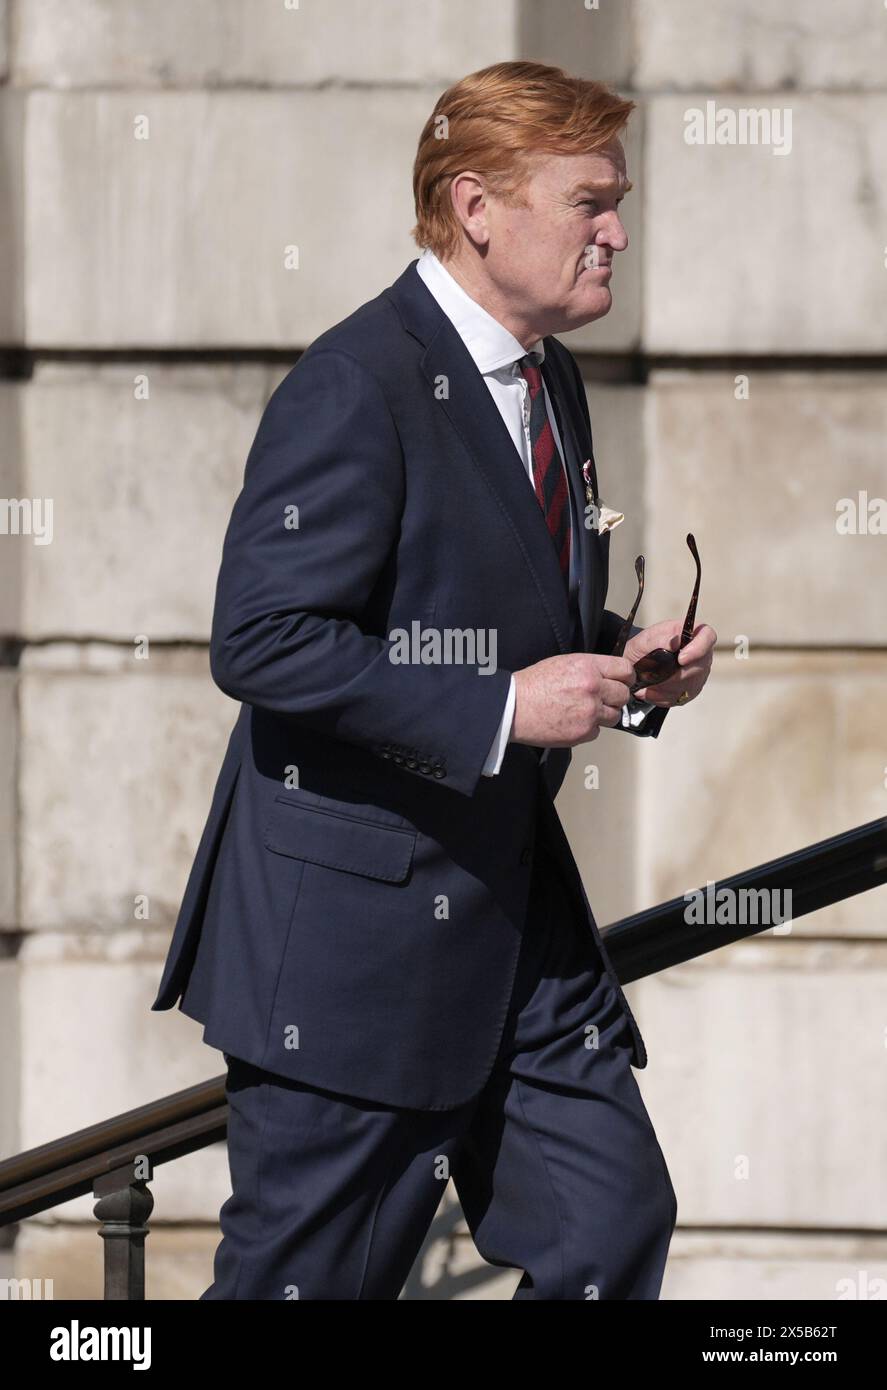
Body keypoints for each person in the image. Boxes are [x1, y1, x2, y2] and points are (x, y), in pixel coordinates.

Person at [152, 60, 716, 1300]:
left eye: (614, 199)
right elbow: (261, 637)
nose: (617, 230)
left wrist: (627, 668)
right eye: (588, 202)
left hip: (516, 929)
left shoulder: (547, 374)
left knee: (609, 1224)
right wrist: (504, 707)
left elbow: (494, 610)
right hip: (352, 949)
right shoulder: (356, 381)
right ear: (475, 206)